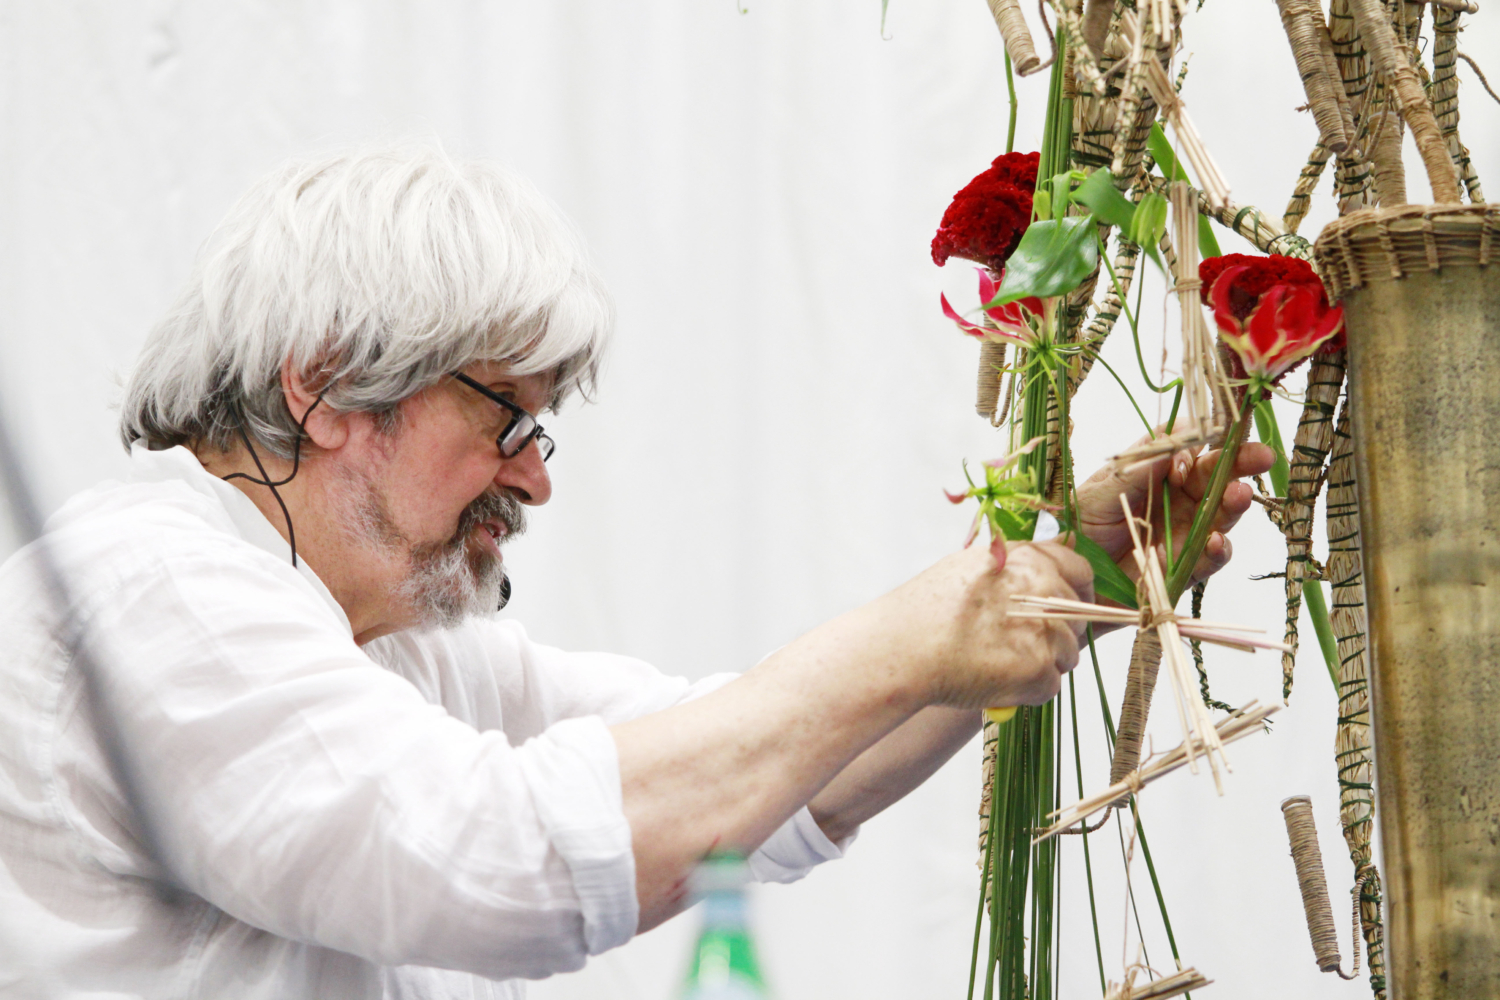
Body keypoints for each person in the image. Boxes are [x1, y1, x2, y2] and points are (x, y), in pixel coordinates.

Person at [0, 145, 1271, 999]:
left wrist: (1065, 577)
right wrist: (917, 629)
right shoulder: (150, 594)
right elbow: (506, 863)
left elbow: (744, 781)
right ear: (329, 383)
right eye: (508, 416)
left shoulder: (374, 632)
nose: (536, 476)